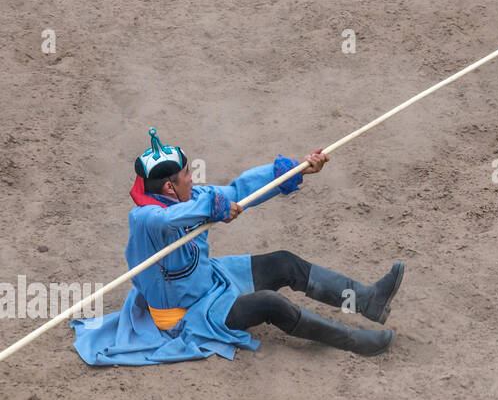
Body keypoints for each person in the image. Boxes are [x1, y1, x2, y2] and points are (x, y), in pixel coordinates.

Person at [71, 128, 404, 365]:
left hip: (212, 281)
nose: (192, 177)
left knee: (284, 263)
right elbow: (167, 220)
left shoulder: (194, 197)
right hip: (187, 315)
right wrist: (212, 208)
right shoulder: (144, 218)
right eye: (186, 174)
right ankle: (352, 341)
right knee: (271, 304)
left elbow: (238, 191)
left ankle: (368, 300)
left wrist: (292, 170)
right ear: (169, 187)